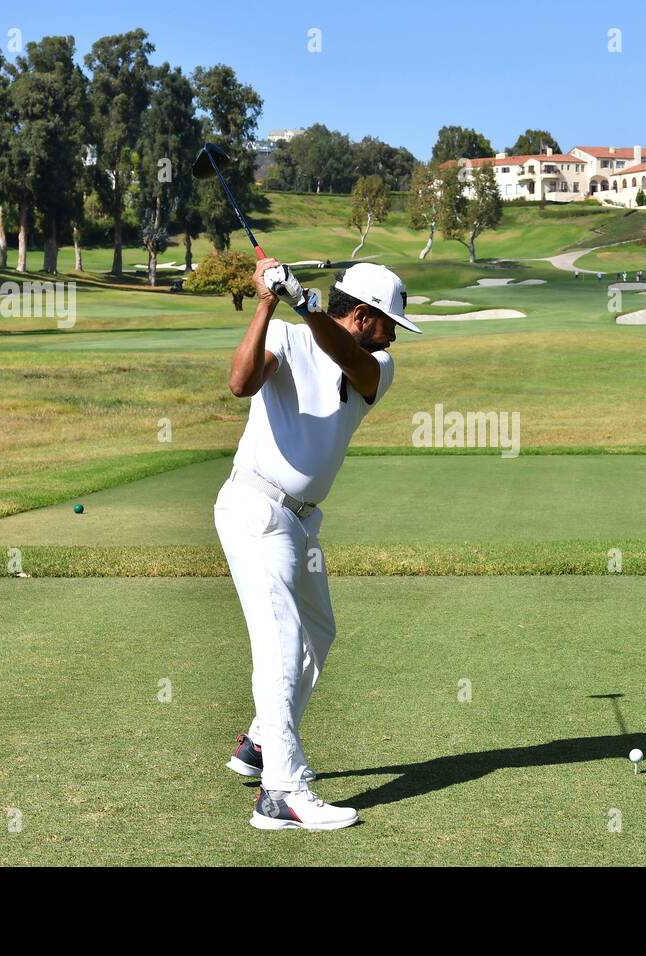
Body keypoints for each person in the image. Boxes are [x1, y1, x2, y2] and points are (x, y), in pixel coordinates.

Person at [216, 258, 422, 831]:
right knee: (280, 643)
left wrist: (302, 302)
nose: (393, 338)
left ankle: (260, 741)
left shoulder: (375, 364)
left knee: (316, 636)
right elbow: (240, 383)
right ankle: (281, 791)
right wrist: (265, 302)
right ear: (362, 314)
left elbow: (351, 360)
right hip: (258, 507)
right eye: (389, 324)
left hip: (303, 523)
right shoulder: (283, 334)